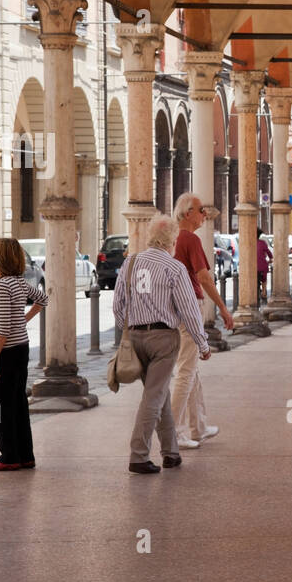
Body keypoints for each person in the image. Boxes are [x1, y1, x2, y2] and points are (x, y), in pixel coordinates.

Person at [113, 214, 211, 475]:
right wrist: (202, 344)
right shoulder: (174, 267)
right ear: (172, 239)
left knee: (161, 394)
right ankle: (138, 455)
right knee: (154, 396)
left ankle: (171, 452)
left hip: (135, 337)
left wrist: (128, 331)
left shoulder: (130, 263)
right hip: (163, 339)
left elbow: (117, 304)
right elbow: (189, 311)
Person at [171, 193, 233, 450]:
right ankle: (173, 432)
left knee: (190, 368)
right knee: (186, 371)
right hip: (189, 305)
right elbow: (205, 278)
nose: (205, 215)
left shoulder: (171, 238)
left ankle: (198, 426)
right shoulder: (190, 239)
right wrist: (223, 308)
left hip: (172, 307)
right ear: (188, 214)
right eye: (200, 210)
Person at [0, 237, 48, 472]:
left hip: (7, 352)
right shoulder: (19, 283)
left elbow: (3, 327)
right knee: (18, 403)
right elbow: (42, 299)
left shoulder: (2, 286)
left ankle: (8, 455)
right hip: (22, 349)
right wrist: (24, 320)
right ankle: (25, 454)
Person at [257, 229, 273, 301]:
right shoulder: (262, 243)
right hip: (263, 265)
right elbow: (269, 254)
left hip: (253, 267)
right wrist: (270, 260)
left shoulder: (249, 243)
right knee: (264, 279)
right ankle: (264, 292)